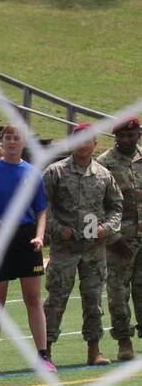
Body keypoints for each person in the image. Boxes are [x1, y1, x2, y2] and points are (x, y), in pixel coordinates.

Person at [0, 123, 52, 373]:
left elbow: (41, 210)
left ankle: (43, 356)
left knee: (33, 298)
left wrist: (39, 236)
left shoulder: (33, 173)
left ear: (23, 142)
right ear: (2, 142)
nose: (13, 142)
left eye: (17, 138)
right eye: (9, 138)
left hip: (26, 238)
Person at [43, 124, 123, 367]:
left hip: (93, 250)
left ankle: (94, 349)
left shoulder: (103, 174)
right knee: (56, 300)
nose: (83, 144)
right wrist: (58, 230)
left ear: (95, 144)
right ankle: (45, 351)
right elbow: (40, 206)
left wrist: (106, 229)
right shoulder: (55, 172)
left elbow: (116, 207)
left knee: (94, 301)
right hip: (64, 249)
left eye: (88, 140)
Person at [96, 118, 141, 361]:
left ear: (138, 135)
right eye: (120, 136)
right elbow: (95, 205)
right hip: (119, 241)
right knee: (118, 293)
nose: (125, 140)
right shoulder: (104, 164)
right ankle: (124, 341)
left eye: (130, 136)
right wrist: (112, 236)